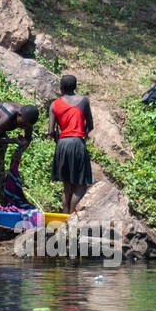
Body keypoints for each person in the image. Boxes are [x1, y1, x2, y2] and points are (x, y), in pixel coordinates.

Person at [48, 75, 94, 214]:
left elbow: (51, 131)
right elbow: (90, 125)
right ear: (75, 87)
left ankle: (65, 217)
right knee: (80, 187)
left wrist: (57, 137)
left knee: (67, 188)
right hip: (77, 142)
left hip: (62, 144)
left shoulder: (54, 104)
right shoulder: (84, 101)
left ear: (61, 88)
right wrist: (84, 134)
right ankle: (73, 217)